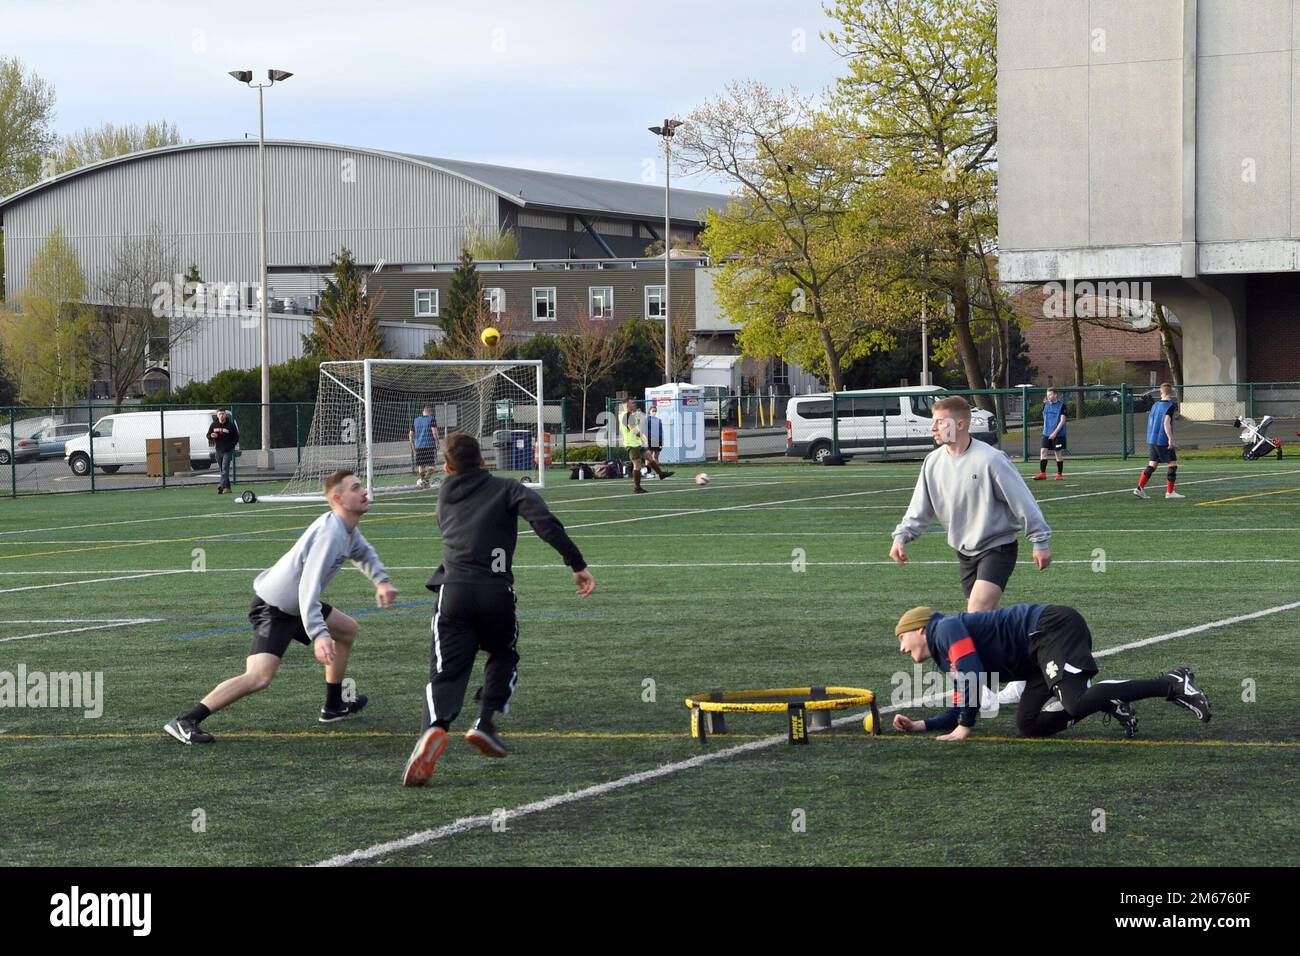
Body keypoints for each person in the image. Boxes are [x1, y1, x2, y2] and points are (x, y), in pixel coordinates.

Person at [401, 432, 596, 786]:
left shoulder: (444, 492)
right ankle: (485, 721)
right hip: (496, 593)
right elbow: (545, 523)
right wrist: (576, 564)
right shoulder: (508, 489)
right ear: (484, 460)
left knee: (445, 671)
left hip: (454, 592)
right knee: (503, 652)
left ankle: (435, 728)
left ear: (446, 468)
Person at [164, 469, 398, 744]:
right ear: (338, 498)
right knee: (259, 677)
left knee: (347, 630)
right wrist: (320, 634)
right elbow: (308, 586)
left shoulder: (346, 529)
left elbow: (364, 553)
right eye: (356, 488)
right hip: (275, 606)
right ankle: (186, 720)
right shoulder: (330, 534)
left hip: (297, 604)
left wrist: (381, 581)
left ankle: (333, 706)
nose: (364, 491)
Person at [890, 395, 1052, 706]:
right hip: (964, 552)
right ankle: (1025, 675)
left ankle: (981, 692)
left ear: (961, 424)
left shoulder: (990, 459)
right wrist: (902, 537)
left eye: (940, 422)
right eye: (933, 422)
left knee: (975, 613)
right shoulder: (933, 462)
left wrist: (1039, 540)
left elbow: (1023, 501)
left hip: (997, 546)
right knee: (987, 623)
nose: (934, 428)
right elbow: (919, 508)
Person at [890, 604, 1211, 739]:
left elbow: (973, 673)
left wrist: (965, 726)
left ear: (918, 628)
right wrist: (922, 725)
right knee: (1028, 725)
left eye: (902, 637)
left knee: (1074, 701)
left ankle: (1172, 682)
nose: (902, 648)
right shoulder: (945, 655)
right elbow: (962, 702)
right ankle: (1107, 700)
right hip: (1035, 662)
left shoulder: (944, 628)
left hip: (1051, 629)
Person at [1134, 382, 1183, 499]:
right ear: (1171, 393)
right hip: (1162, 440)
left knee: (1152, 465)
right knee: (1172, 464)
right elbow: (1166, 422)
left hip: (1152, 439)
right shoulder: (1170, 406)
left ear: (1161, 392)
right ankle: (1170, 492)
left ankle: (1139, 488)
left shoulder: (1155, 405)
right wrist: (1170, 439)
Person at [1033, 388, 1067, 481]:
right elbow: (1044, 417)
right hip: (1046, 433)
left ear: (1055, 395)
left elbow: (1062, 421)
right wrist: (1045, 430)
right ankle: (1042, 474)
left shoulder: (1062, 406)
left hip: (1058, 434)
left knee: (1057, 453)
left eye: (1050, 395)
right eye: (1047, 395)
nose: (1048, 396)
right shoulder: (1045, 405)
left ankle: (1059, 474)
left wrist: (1055, 433)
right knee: (1043, 451)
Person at [207, 409, 240, 494]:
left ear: (225, 415)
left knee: (225, 469)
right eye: (220, 414)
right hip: (218, 450)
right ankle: (228, 488)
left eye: (223, 414)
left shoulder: (231, 425)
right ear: (217, 415)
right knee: (222, 470)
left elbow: (236, 437)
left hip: (228, 451)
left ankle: (221, 485)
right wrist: (211, 435)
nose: (222, 415)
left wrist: (231, 446)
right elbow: (208, 435)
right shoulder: (213, 425)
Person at [409, 405, 440, 490]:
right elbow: (434, 432)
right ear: (429, 412)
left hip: (419, 446)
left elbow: (410, 434)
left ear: (423, 411)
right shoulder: (431, 419)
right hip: (429, 445)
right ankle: (425, 481)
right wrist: (437, 442)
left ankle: (423, 482)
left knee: (421, 466)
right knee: (432, 467)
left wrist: (412, 445)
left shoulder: (415, 420)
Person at [643, 403, 674, 481]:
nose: (654, 412)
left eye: (655, 411)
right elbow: (644, 431)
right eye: (653, 411)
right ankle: (648, 473)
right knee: (648, 457)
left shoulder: (658, 420)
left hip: (657, 441)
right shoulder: (647, 419)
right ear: (649, 412)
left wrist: (662, 440)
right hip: (650, 440)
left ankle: (658, 473)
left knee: (656, 456)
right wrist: (645, 440)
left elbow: (661, 431)